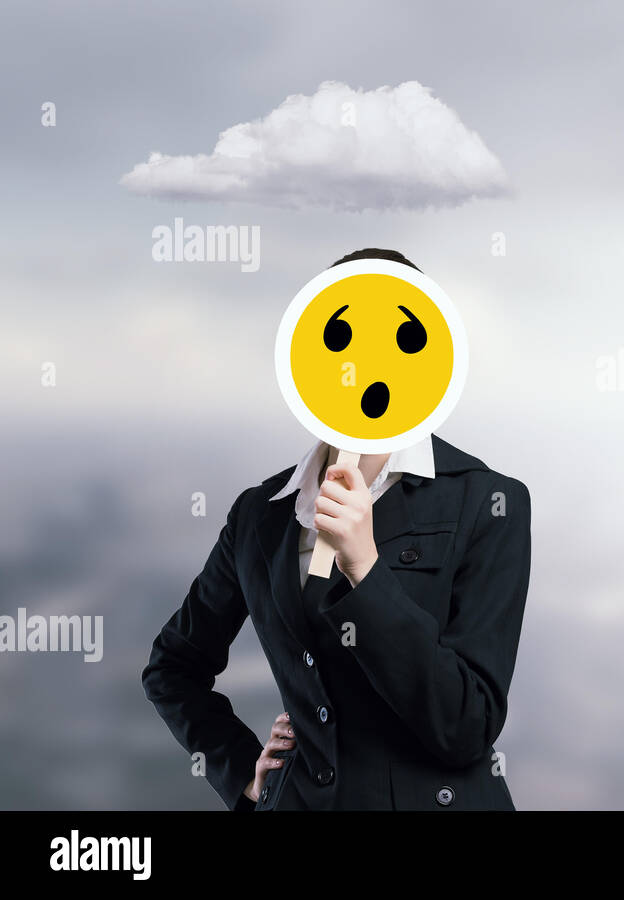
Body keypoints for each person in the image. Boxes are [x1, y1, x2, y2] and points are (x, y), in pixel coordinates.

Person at [142, 249, 531, 810]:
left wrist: (365, 568)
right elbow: (173, 666)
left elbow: (468, 727)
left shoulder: (489, 502)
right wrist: (243, 774)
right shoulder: (260, 514)